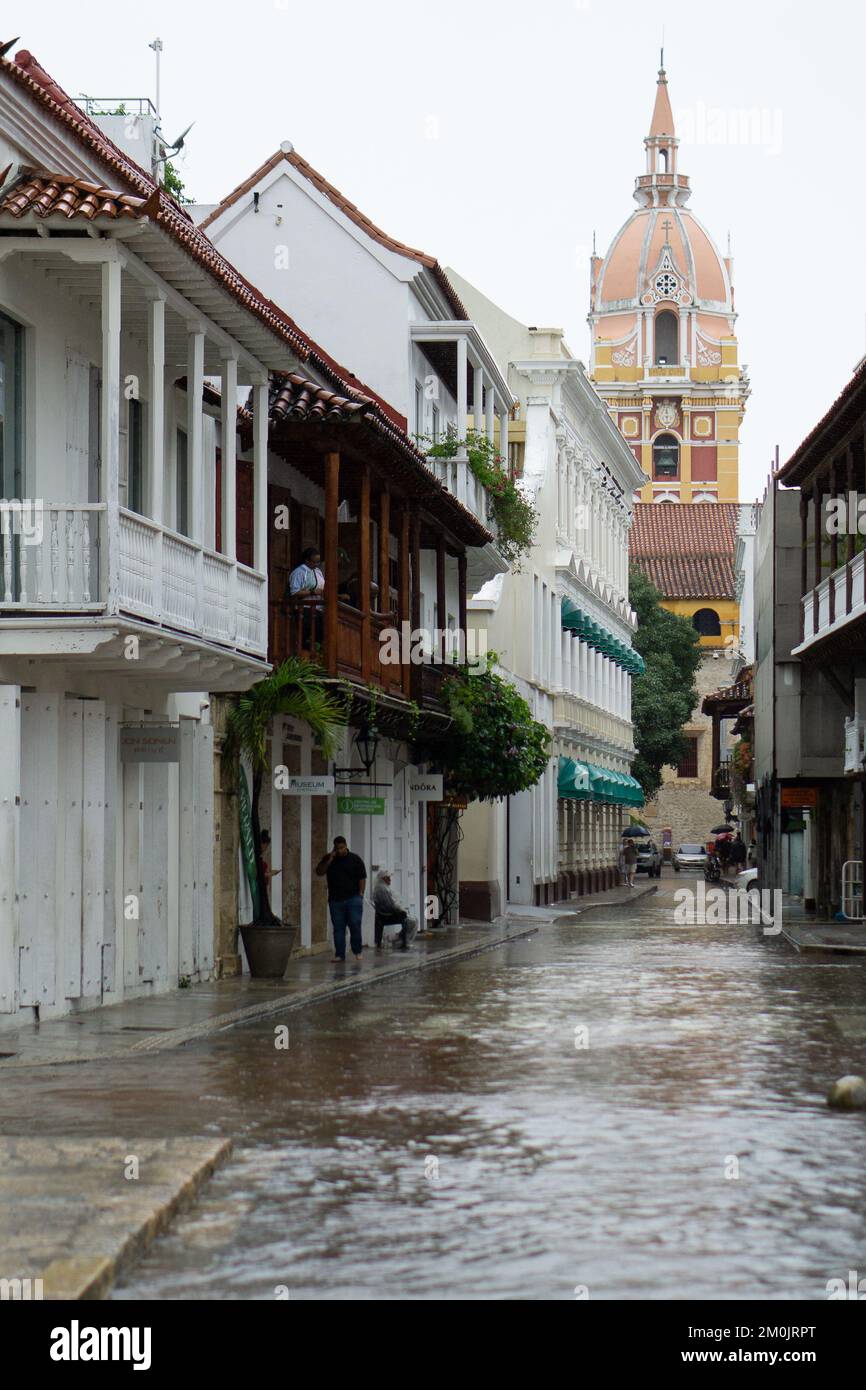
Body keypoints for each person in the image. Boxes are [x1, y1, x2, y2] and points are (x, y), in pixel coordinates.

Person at [316, 837, 367, 963]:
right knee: (338, 927)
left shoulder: (355, 859)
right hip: (335, 899)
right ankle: (339, 954)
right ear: (334, 848)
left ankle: (357, 950)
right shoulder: (329, 858)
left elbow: (362, 877)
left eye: (342, 848)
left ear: (346, 846)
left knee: (355, 924)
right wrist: (330, 860)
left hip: (353, 898)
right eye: (337, 848)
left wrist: (361, 894)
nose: (340, 851)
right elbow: (319, 872)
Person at [372, 868, 417, 950]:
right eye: (388, 878)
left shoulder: (382, 888)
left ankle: (400, 939)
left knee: (412, 919)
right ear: (383, 879)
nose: (390, 879)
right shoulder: (382, 889)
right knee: (411, 920)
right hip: (387, 915)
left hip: (387, 913)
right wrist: (401, 910)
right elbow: (391, 905)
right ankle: (404, 941)